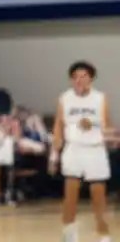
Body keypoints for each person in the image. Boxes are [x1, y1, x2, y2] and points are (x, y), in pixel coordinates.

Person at [52, 61, 112, 242]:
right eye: (76, 77)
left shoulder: (100, 98)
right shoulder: (65, 98)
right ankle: (69, 233)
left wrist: (92, 124)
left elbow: (108, 126)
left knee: (98, 195)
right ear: (71, 79)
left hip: (95, 149)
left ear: (91, 78)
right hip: (74, 148)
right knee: (70, 193)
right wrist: (54, 154)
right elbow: (58, 126)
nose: (79, 80)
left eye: (83, 76)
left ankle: (103, 233)